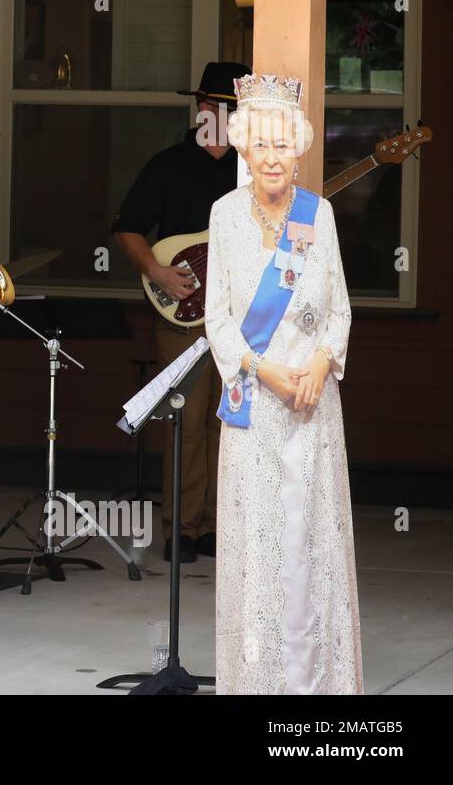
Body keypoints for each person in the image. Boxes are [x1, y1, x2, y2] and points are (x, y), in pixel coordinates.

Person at [205, 73, 362, 694]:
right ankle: (258, 683)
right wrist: (262, 367)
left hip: (313, 409)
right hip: (254, 407)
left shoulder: (316, 215)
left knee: (311, 545)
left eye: (283, 145)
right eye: (261, 144)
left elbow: (341, 310)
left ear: (298, 149)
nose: (273, 157)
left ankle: (319, 688)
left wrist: (321, 367)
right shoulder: (223, 217)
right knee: (259, 549)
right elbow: (216, 314)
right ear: (243, 148)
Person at [112, 61, 250, 563]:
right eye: (217, 105)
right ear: (202, 107)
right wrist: (156, 270)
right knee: (186, 420)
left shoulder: (254, 167)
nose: (225, 114)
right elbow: (127, 226)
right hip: (182, 314)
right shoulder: (167, 165)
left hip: (242, 314)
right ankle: (182, 527)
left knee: (230, 421)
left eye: (235, 107)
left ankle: (218, 525)